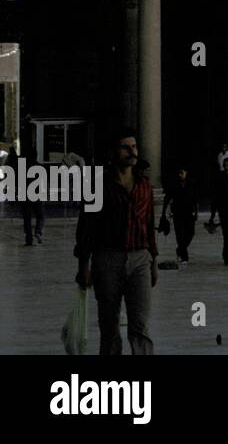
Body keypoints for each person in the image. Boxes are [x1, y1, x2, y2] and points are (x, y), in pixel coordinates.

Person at [73, 133, 157, 355]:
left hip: (140, 258)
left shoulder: (144, 185)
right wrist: (84, 264)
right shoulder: (98, 185)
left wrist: (153, 260)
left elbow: (149, 224)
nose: (132, 151)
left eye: (134, 146)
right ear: (113, 153)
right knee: (109, 326)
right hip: (107, 259)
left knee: (140, 325)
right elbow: (86, 227)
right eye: (125, 147)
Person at [161, 167, 199, 265]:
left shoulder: (191, 183)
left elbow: (195, 199)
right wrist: (164, 213)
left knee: (190, 233)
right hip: (178, 212)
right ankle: (184, 256)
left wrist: (196, 212)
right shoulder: (174, 184)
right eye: (179, 173)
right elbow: (167, 198)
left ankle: (180, 249)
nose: (180, 175)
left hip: (189, 212)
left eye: (182, 172)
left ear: (186, 173)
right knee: (180, 234)